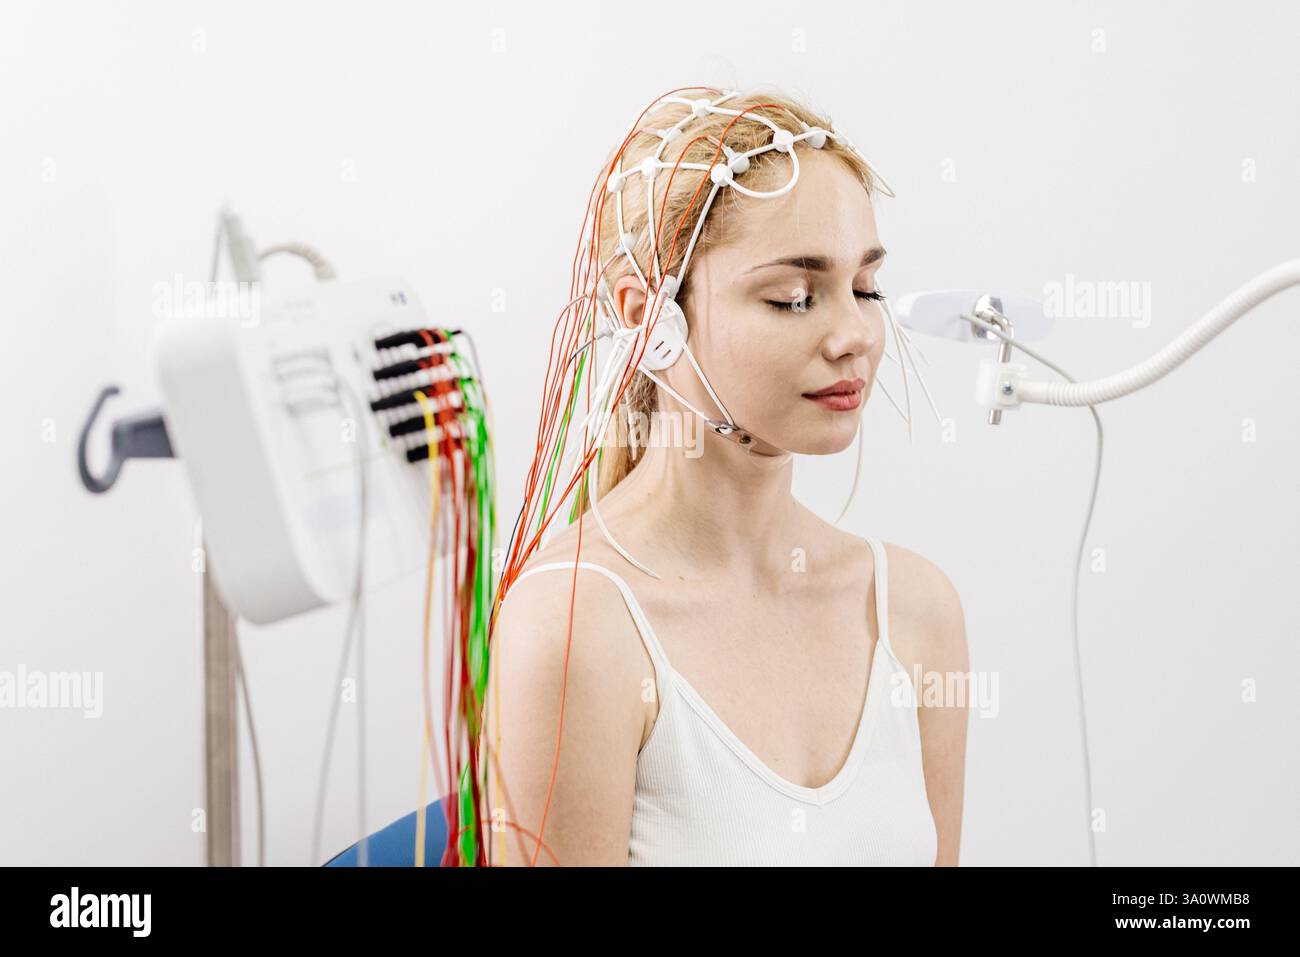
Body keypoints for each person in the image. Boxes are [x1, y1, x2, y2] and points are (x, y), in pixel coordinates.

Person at [483, 87, 968, 866]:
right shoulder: (574, 632)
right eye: (793, 297)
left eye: (866, 288)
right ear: (647, 315)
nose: (853, 335)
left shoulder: (915, 610)